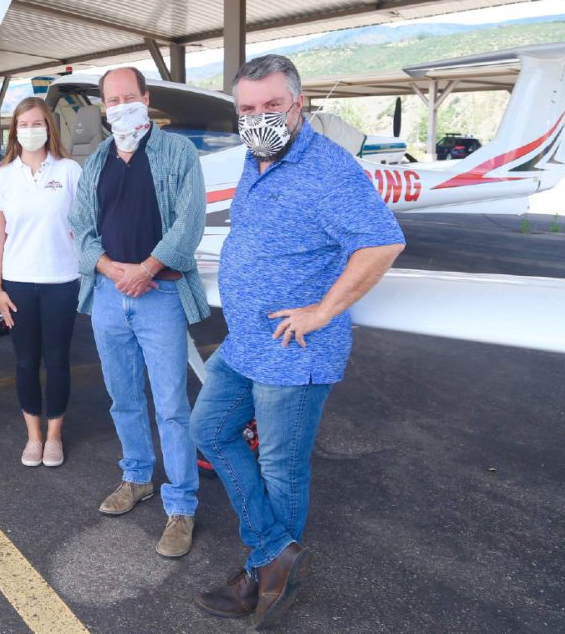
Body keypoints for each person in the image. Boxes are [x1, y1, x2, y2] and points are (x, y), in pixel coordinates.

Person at [190, 55, 405, 629]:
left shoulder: (328, 169)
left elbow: (382, 243)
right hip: (245, 342)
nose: (258, 117)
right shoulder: (255, 159)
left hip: (293, 351)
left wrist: (322, 311)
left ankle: (261, 578)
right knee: (209, 430)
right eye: (247, 109)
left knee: (281, 468)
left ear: (297, 104)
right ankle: (273, 554)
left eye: (271, 105)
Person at [69, 66, 209, 558]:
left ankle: (182, 505)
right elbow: (81, 226)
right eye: (112, 100)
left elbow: (189, 222)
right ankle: (137, 477)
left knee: (171, 405)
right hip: (109, 295)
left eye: (129, 97)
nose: (121, 106)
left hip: (160, 294)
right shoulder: (98, 159)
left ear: (146, 100)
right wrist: (112, 270)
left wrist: (146, 268)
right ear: (104, 108)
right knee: (122, 396)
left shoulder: (178, 152)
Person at [0, 97, 82, 467]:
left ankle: (54, 436)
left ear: (49, 127)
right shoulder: (2, 177)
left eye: (37, 123)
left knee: (57, 361)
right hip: (18, 283)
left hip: (61, 280)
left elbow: (86, 223)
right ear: (14, 131)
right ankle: (33, 436)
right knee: (25, 361)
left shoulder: (69, 171)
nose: (30, 130)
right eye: (23, 124)